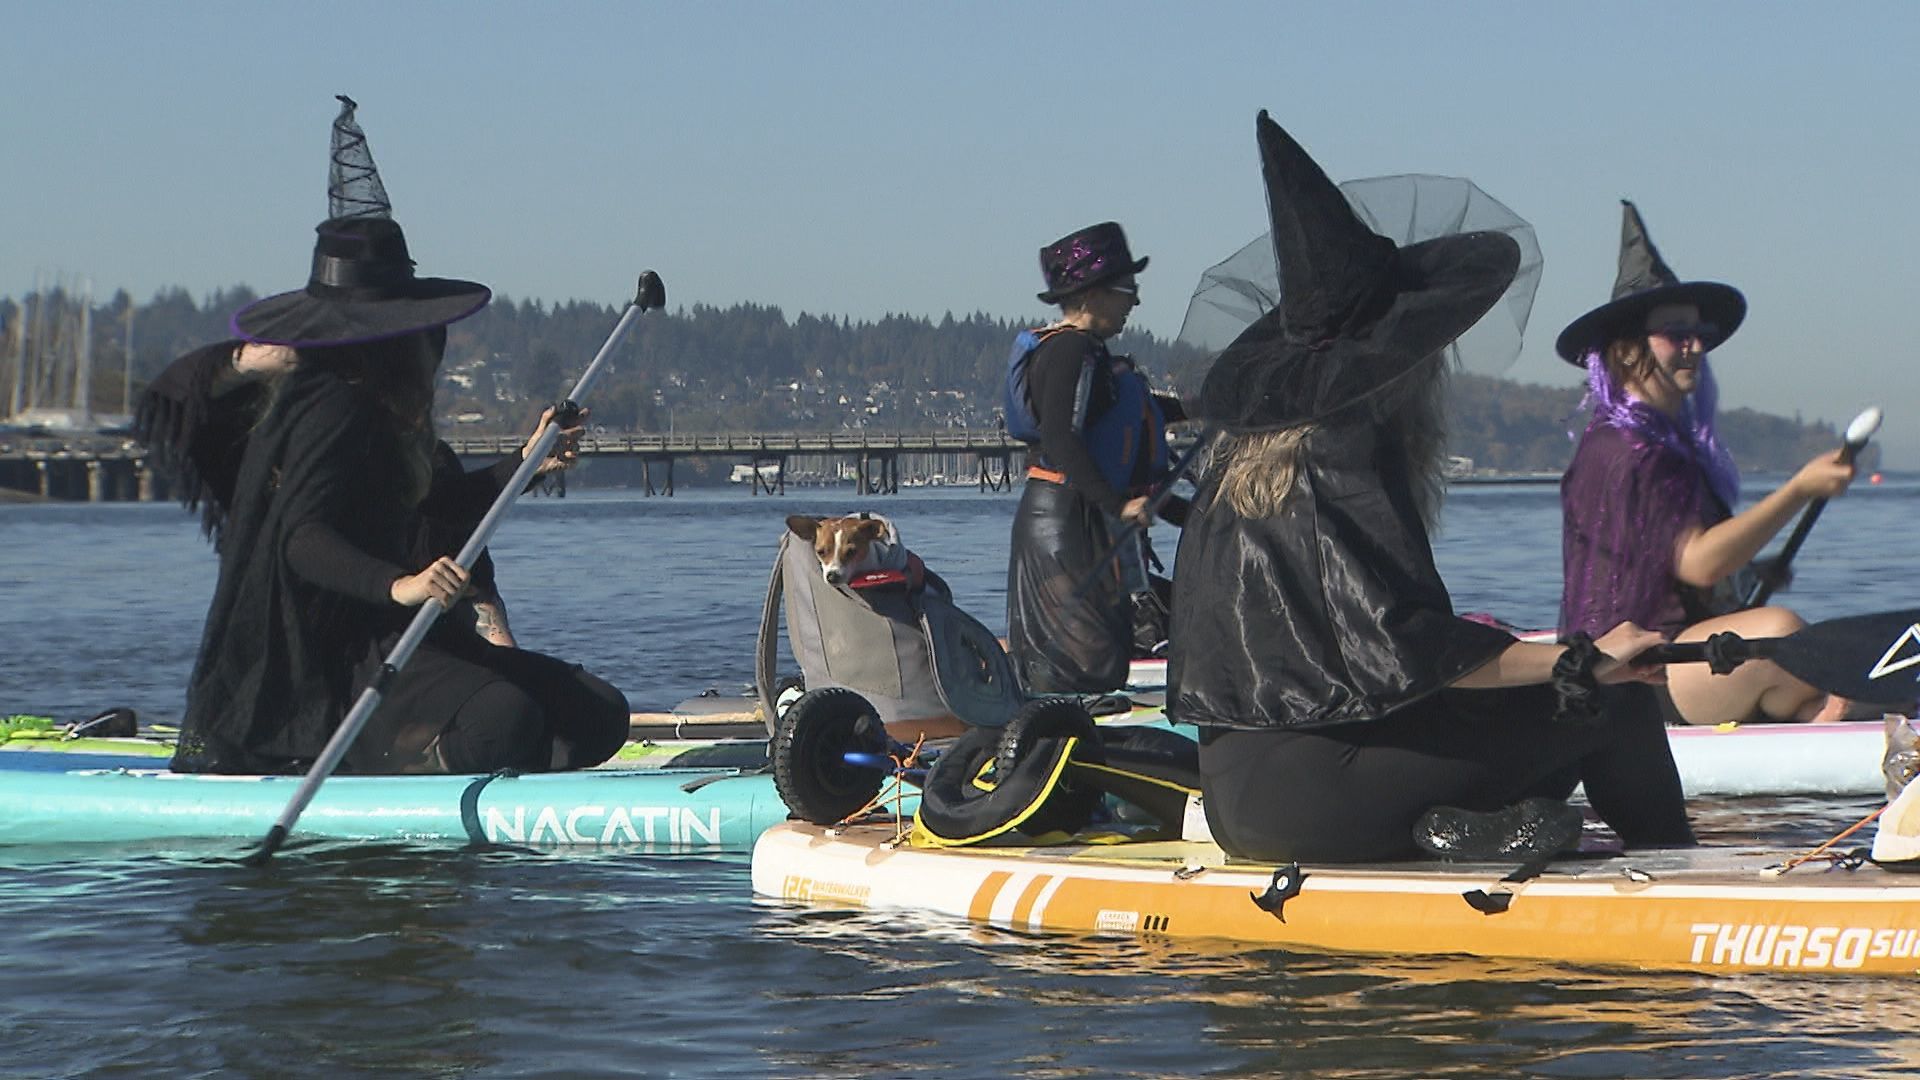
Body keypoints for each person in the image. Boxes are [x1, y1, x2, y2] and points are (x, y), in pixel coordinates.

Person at [1168, 113, 1694, 864]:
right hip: (1331, 798)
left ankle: (1467, 826)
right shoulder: (1342, 453)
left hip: (1238, 803)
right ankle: (1678, 868)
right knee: (1614, 702)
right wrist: (1583, 659)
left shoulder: (1238, 466)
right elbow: (1406, 647)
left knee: (1543, 712)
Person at [1556, 202, 1859, 726]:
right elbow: (1698, 562)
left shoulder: (1658, 446)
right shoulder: (1628, 448)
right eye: (1677, 333)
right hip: (1633, 673)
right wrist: (1799, 490)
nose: (1696, 346)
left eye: (1699, 334)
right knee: (1783, 632)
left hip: (1673, 660)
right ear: (1626, 352)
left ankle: (1822, 718)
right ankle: (1825, 718)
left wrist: (1747, 572)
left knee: (1833, 672)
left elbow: (1671, 565)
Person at [136, 332, 577, 648]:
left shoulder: (424, 459)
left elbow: (453, 511)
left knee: (577, 709)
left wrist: (528, 461)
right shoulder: (285, 461)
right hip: (317, 658)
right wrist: (279, 357)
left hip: (412, 652)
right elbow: (172, 397)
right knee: (505, 714)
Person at [1005, 221, 1188, 694]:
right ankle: (1068, 723)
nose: (1135, 302)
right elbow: (1059, 437)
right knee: (1083, 657)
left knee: (1107, 649)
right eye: (1128, 290)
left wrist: (1216, 404)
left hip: (1083, 514)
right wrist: (1117, 504)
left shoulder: (1091, 355)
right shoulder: (1069, 350)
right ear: (1092, 296)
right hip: (1063, 520)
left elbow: (1133, 411)